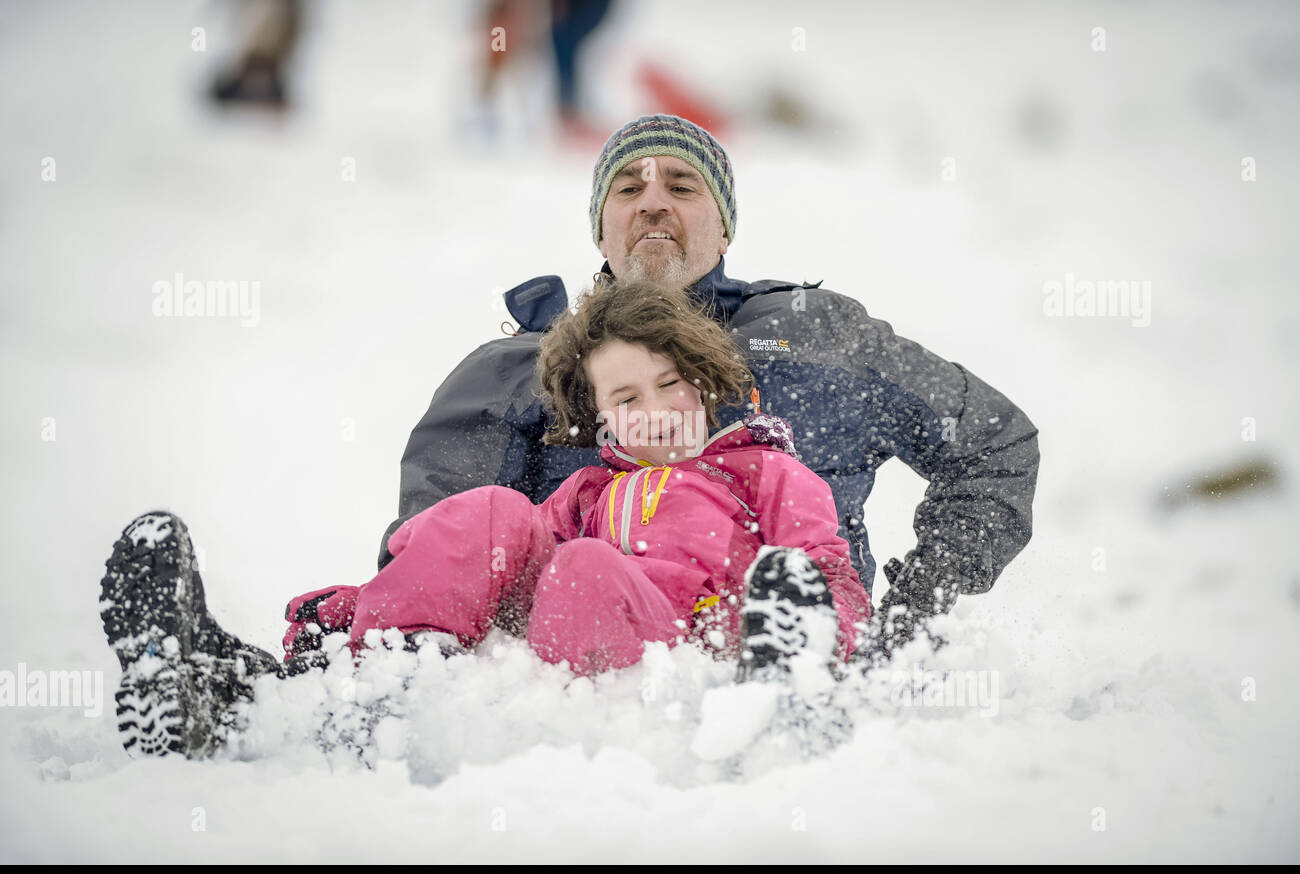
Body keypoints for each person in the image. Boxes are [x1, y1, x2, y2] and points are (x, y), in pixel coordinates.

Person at [372, 114, 1039, 671]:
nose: (654, 201)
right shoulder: (516, 369)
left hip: (788, 676)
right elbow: (436, 551)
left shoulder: (819, 336)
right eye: (628, 188)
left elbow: (993, 441)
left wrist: (914, 609)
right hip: (575, 688)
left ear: (725, 228)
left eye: (683, 185)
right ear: (600, 229)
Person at [100, 281, 867, 758]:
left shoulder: (764, 472)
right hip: (548, 652)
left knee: (584, 569)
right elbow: (481, 554)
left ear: (702, 384)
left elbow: (824, 569)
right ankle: (379, 673)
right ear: (598, 420)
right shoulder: (588, 496)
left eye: (669, 384)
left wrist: (807, 634)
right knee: (499, 514)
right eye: (628, 399)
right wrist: (347, 611)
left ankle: (783, 694)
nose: (657, 409)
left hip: (679, 667)